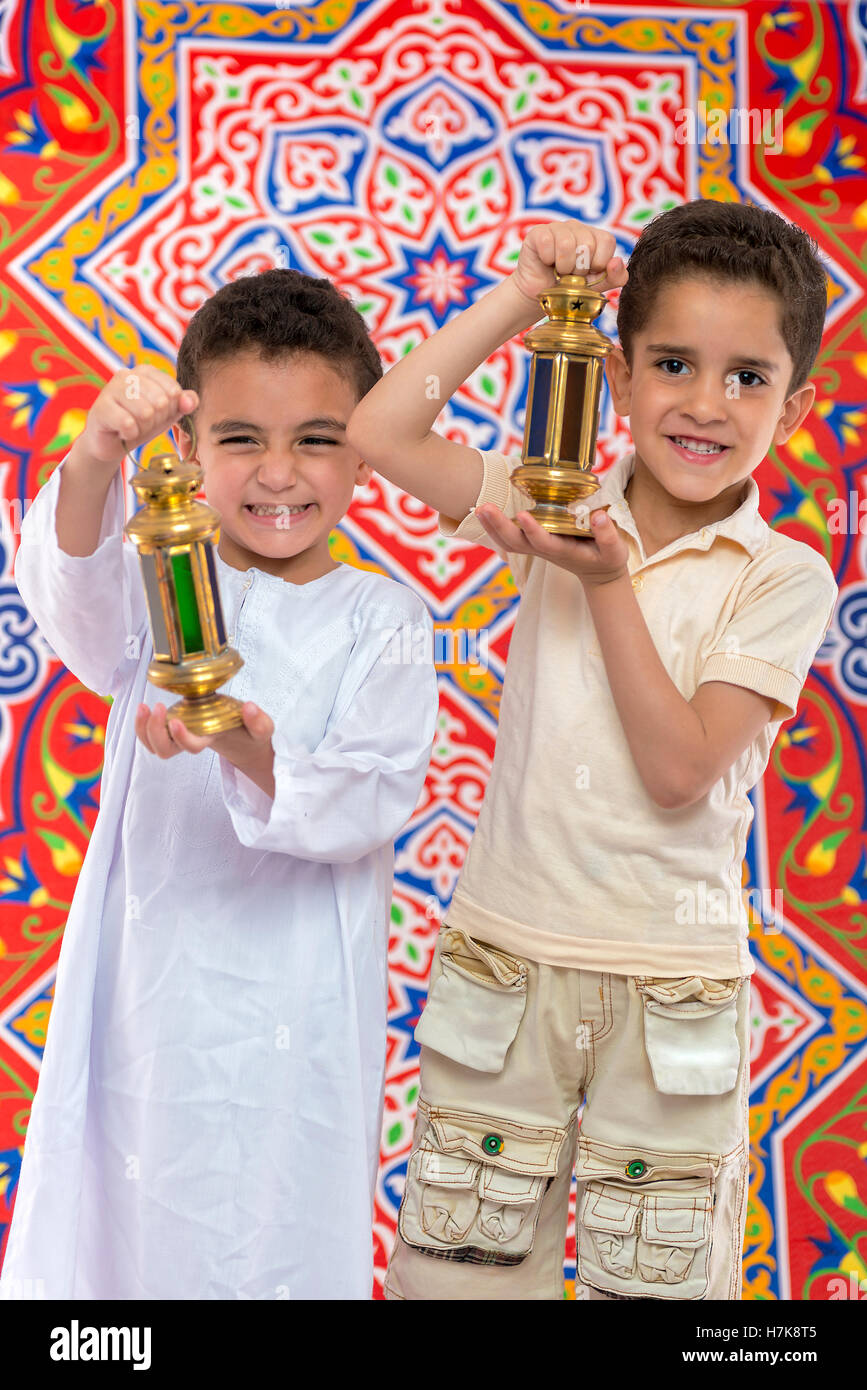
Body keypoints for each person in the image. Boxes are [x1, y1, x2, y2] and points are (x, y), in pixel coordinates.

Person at [345, 199, 839, 1300]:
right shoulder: (547, 494)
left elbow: (678, 770)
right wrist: (529, 297)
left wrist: (604, 581)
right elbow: (379, 436)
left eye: (748, 378)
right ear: (615, 377)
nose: (706, 404)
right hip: (505, 965)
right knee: (457, 1279)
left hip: (675, 994)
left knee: (654, 1289)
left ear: (796, 408)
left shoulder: (784, 575)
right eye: (672, 362)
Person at [0, 269, 439, 1300]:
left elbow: (369, 796)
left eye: (317, 438)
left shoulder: (388, 620)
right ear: (190, 451)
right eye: (241, 437)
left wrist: (248, 751)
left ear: (362, 452)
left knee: (274, 1224)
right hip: (149, 987)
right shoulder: (164, 576)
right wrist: (95, 450)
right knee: (129, 1229)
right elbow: (73, 600)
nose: (278, 473)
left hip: (299, 998)